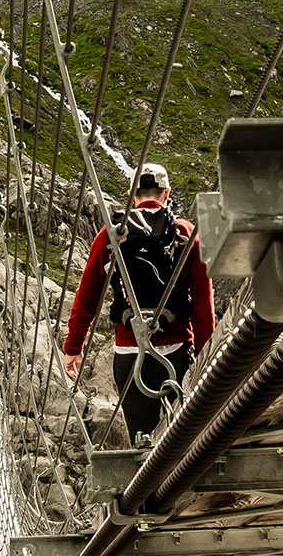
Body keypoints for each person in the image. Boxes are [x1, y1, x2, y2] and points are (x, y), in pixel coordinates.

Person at [62, 163, 215, 444]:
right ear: (166, 193)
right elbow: (203, 304)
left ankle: (146, 463)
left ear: (134, 196)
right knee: (185, 434)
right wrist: (207, 356)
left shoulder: (111, 234)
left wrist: (74, 347)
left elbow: (87, 295)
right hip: (176, 351)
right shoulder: (185, 233)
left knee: (142, 439)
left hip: (130, 354)